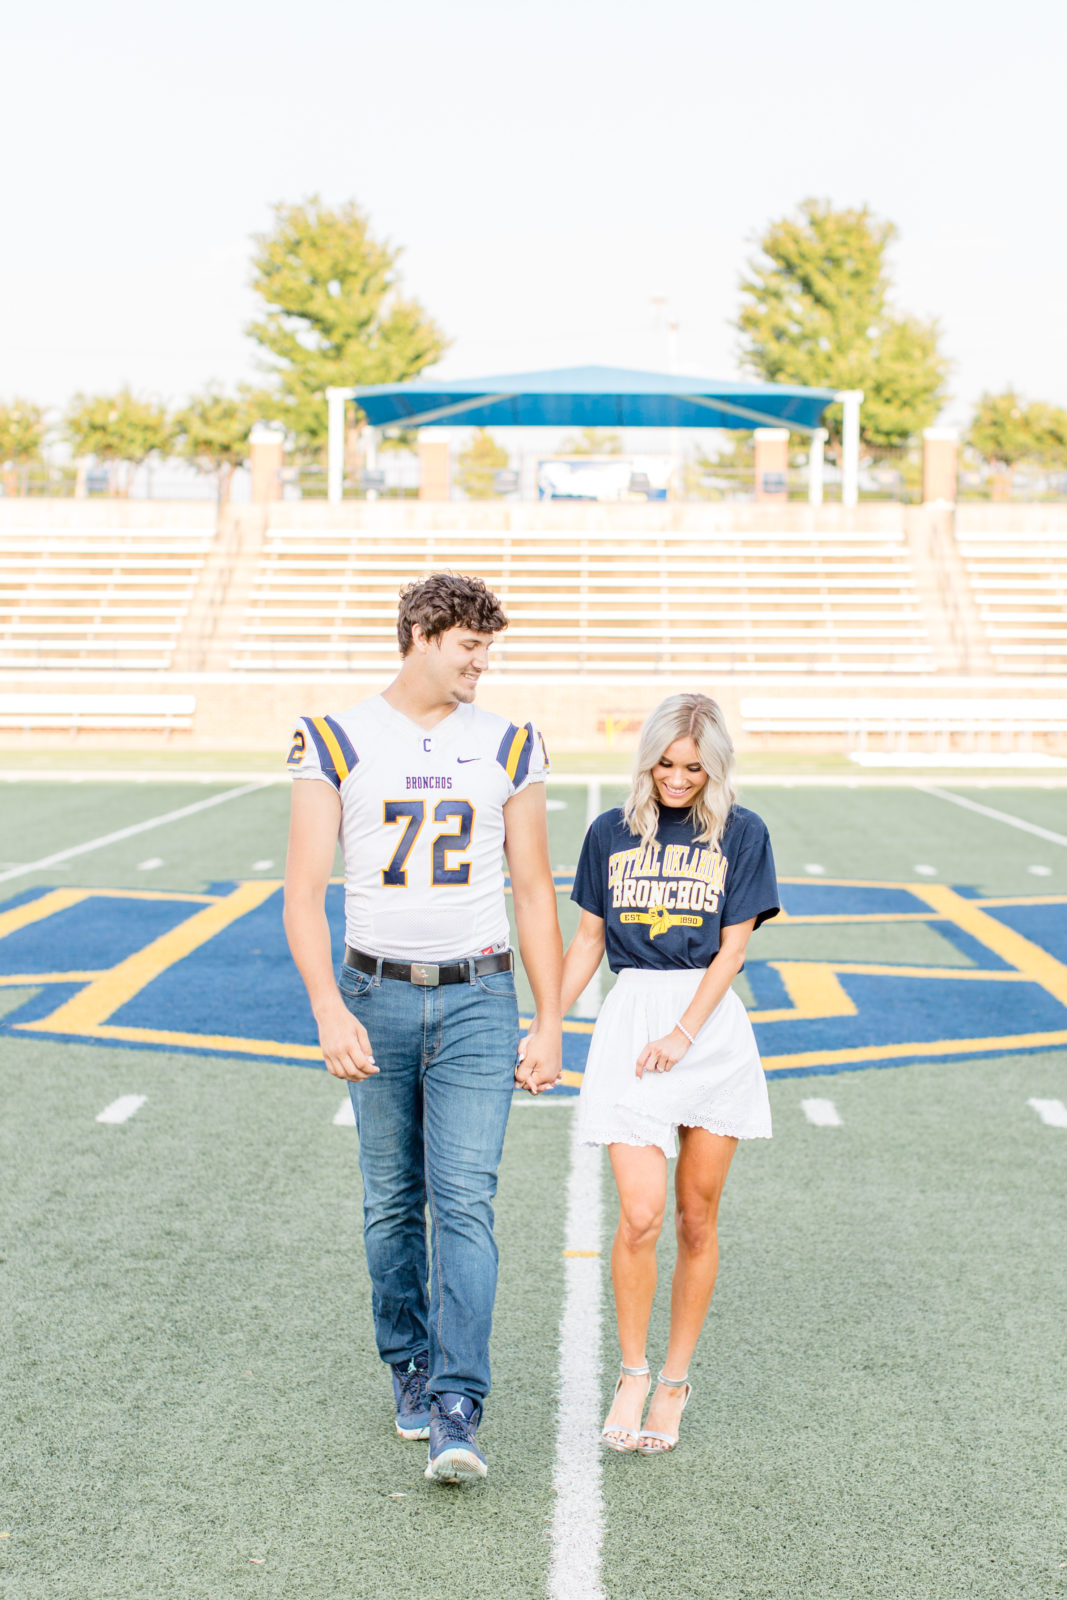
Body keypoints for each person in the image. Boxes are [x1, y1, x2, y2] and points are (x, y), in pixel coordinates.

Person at [283, 573, 562, 1486]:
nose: (481, 663)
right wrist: (327, 1007)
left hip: (482, 996)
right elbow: (301, 892)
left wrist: (552, 1017)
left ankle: (457, 1398)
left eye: (488, 648)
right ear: (417, 635)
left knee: (467, 1202)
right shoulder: (335, 738)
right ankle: (405, 1363)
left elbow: (531, 889)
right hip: (375, 994)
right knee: (392, 1204)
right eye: (466, 646)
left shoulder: (509, 743)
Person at [559, 692, 778, 1454]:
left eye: (693, 767)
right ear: (645, 759)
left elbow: (733, 948)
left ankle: (675, 1382)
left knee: (694, 1218)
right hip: (631, 1021)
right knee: (641, 1214)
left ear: (713, 768)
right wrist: (547, 1021)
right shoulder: (610, 833)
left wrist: (684, 1035)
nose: (677, 778)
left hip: (707, 1033)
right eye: (664, 763)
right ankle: (630, 1370)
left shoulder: (742, 834)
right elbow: (588, 938)